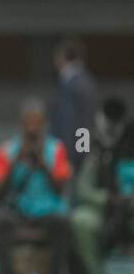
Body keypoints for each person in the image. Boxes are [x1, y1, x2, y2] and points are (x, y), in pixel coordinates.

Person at [0, 97, 73, 274]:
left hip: (47, 212)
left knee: (63, 222)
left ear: (44, 124)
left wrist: (44, 163)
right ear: (21, 124)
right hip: (19, 211)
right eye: (29, 123)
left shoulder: (57, 149)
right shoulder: (7, 150)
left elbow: (61, 189)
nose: (33, 128)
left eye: (37, 123)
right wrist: (17, 161)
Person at [69, 97, 134, 274]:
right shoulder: (86, 137)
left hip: (130, 208)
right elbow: (82, 187)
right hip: (103, 207)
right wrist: (106, 199)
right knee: (81, 220)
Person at [49, 37, 97, 172]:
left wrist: (76, 154)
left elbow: (75, 122)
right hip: (74, 150)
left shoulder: (75, 84)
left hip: (71, 153)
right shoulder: (82, 81)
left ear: (61, 57)